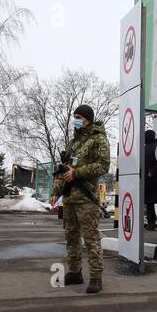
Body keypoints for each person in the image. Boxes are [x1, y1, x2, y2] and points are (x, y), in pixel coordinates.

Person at [52, 104, 109, 294]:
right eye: (74, 117)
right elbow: (64, 170)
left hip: (86, 198)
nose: (76, 120)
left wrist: (77, 173)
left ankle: (96, 277)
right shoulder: (73, 143)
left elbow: (103, 165)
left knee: (91, 238)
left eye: (79, 117)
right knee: (71, 237)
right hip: (69, 198)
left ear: (88, 119)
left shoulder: (98, 139)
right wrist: (56, 192)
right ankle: (75, 272)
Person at [143, 128, 157, 231]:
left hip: (147, 181)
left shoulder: (142, 150)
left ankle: (151, 224)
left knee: (149, 203)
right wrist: (154, 171)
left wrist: (149, 172)